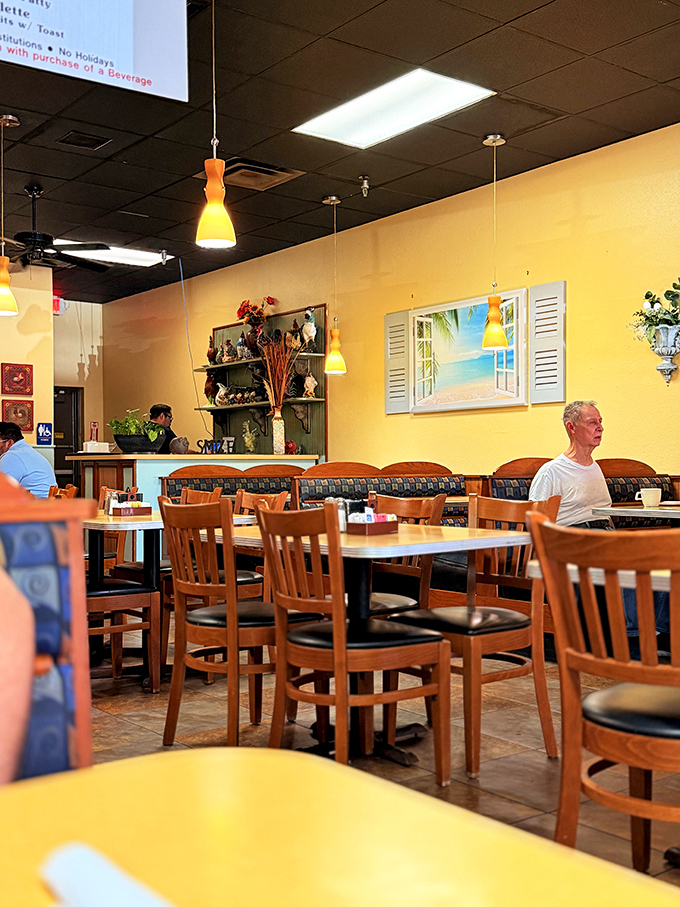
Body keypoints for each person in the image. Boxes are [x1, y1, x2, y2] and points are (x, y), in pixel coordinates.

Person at [529, 399, 669, 654]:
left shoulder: (595, 468)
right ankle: (632, 640)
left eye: (601, 422)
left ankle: (663, 634)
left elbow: (603, 514)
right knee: (623, 557)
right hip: (571, 538)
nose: (600, 427)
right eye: (592, 422)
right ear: (571, 427)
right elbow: (535, 520)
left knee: (663, 555)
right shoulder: (552, 471)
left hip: (603, 532)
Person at [0, 422, 56, 498]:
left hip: (35, 504)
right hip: (46, 502)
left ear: (9, 443)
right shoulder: (26, 451)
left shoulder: (13, 456)